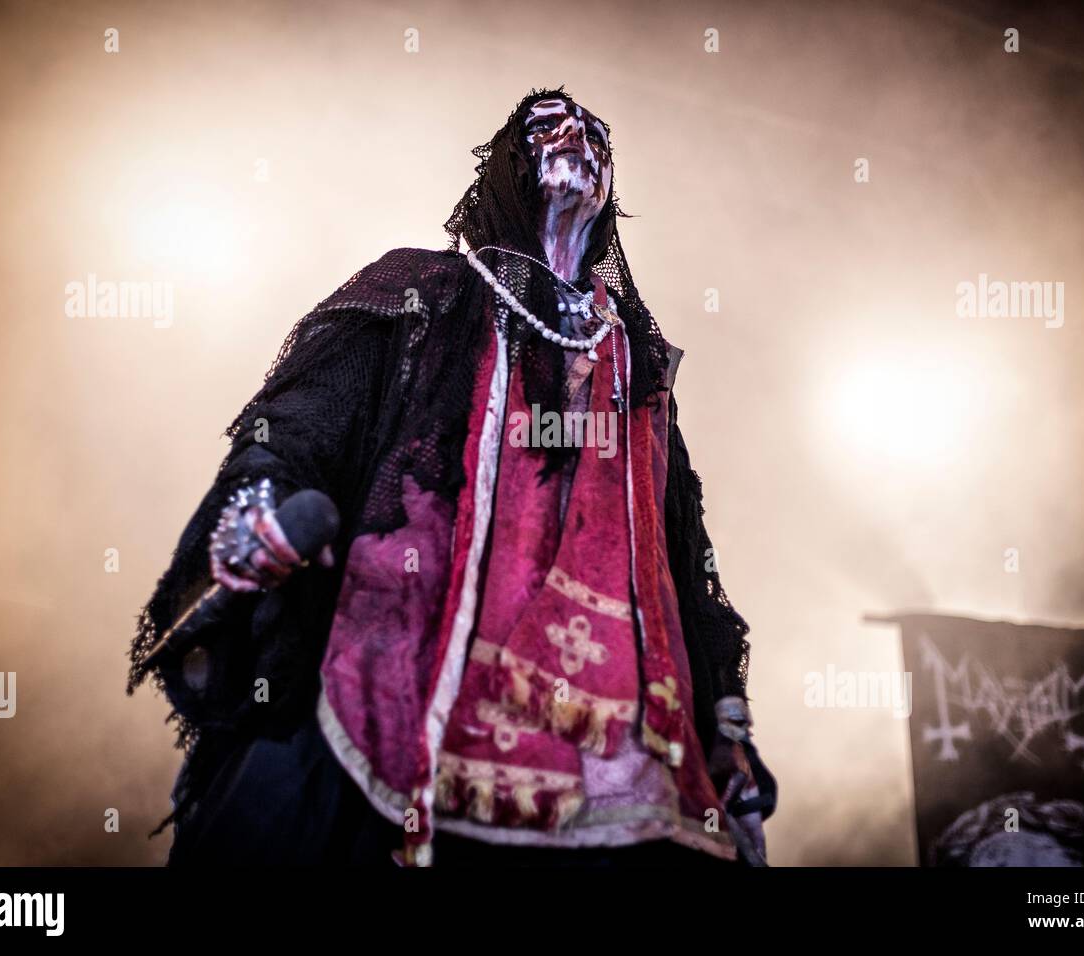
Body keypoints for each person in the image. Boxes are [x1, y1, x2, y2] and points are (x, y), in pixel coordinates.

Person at [129, 88, 775, 866]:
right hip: (402, 659)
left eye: (597, 137)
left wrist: (725, 717)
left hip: (612, 736)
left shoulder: (635, 359)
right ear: (508, 166)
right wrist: (259, 501)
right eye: (548, 127)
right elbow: (303, 419)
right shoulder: (422, 289)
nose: (577, 140)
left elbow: (681, 546)